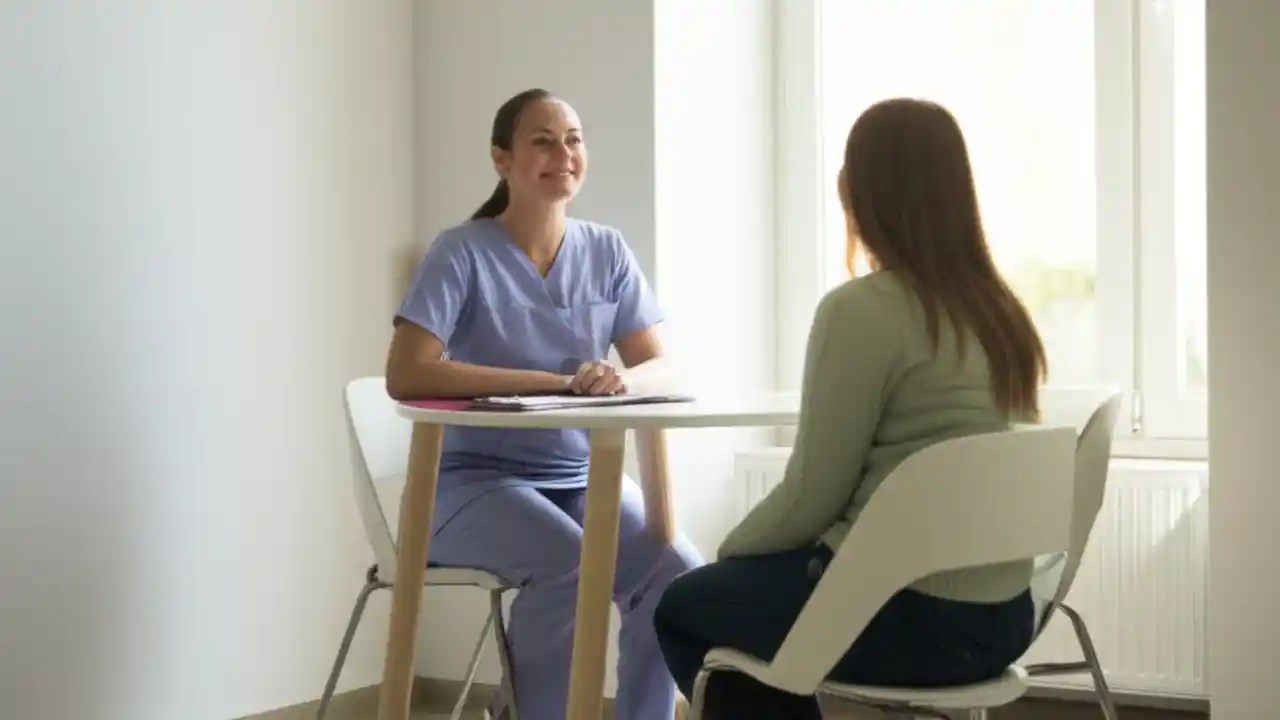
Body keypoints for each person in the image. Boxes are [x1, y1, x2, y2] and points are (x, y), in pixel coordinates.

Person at [652, 97, 1049, 718]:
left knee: (685, 606)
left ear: (858, 193)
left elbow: (813, 495)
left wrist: (734, 549)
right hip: (1003, 618)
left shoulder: (861, 311)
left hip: (903, 612)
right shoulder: (998, 311)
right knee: (750, 604)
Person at [386, 89, 701, 720]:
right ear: (502, 160)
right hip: (468, 486)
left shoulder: (606, 250)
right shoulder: (462, 252)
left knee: (676, 570)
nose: (564, 153)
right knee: (567, 562)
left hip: (582, 476)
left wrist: (617, 380)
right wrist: (553, 382)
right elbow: (406, 371)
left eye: (575, 139)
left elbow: (658, 364)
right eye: (543, 140)